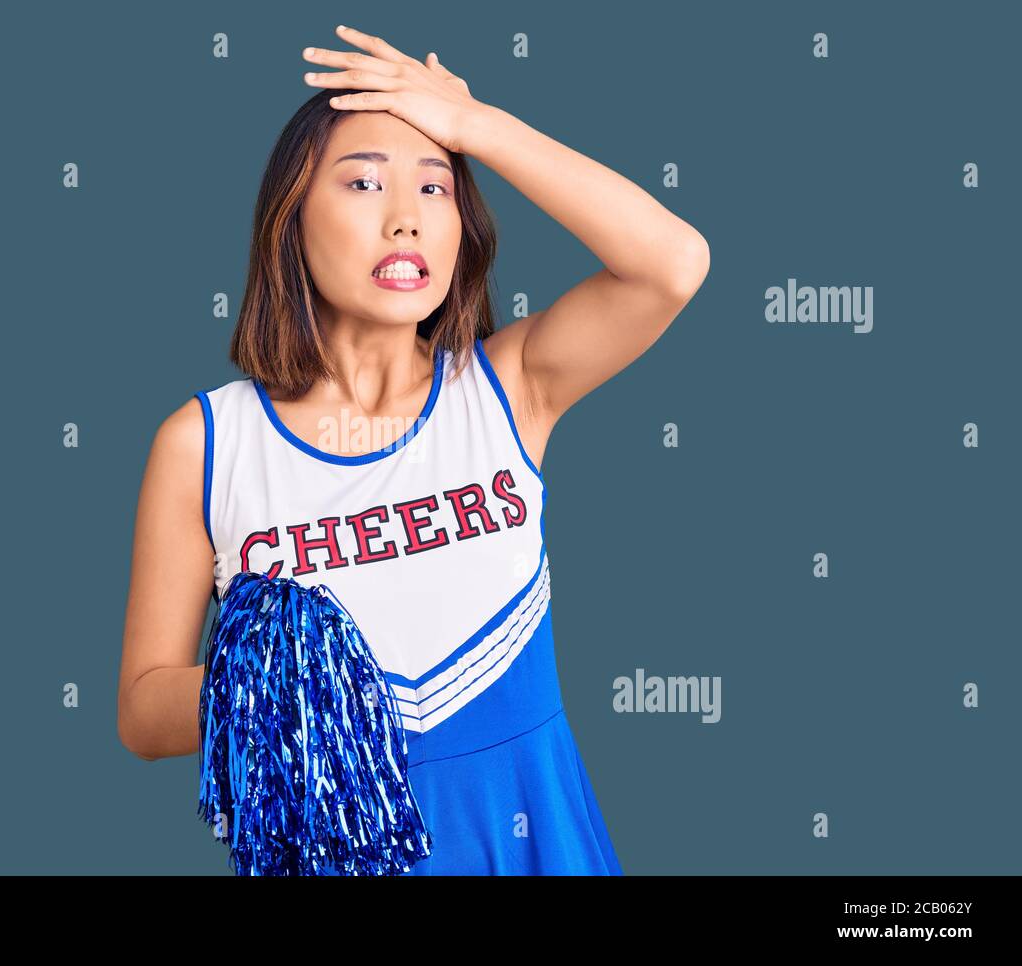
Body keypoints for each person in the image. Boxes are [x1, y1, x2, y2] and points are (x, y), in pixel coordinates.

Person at [117, 24, 709, 874]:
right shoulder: (208, 443)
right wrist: (275, 682)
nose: (406, 220)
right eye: (363, 183)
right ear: (291, 217)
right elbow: (142, 712)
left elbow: (673, 264)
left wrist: (476, 124)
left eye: (437, 189)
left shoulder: (508, 388)